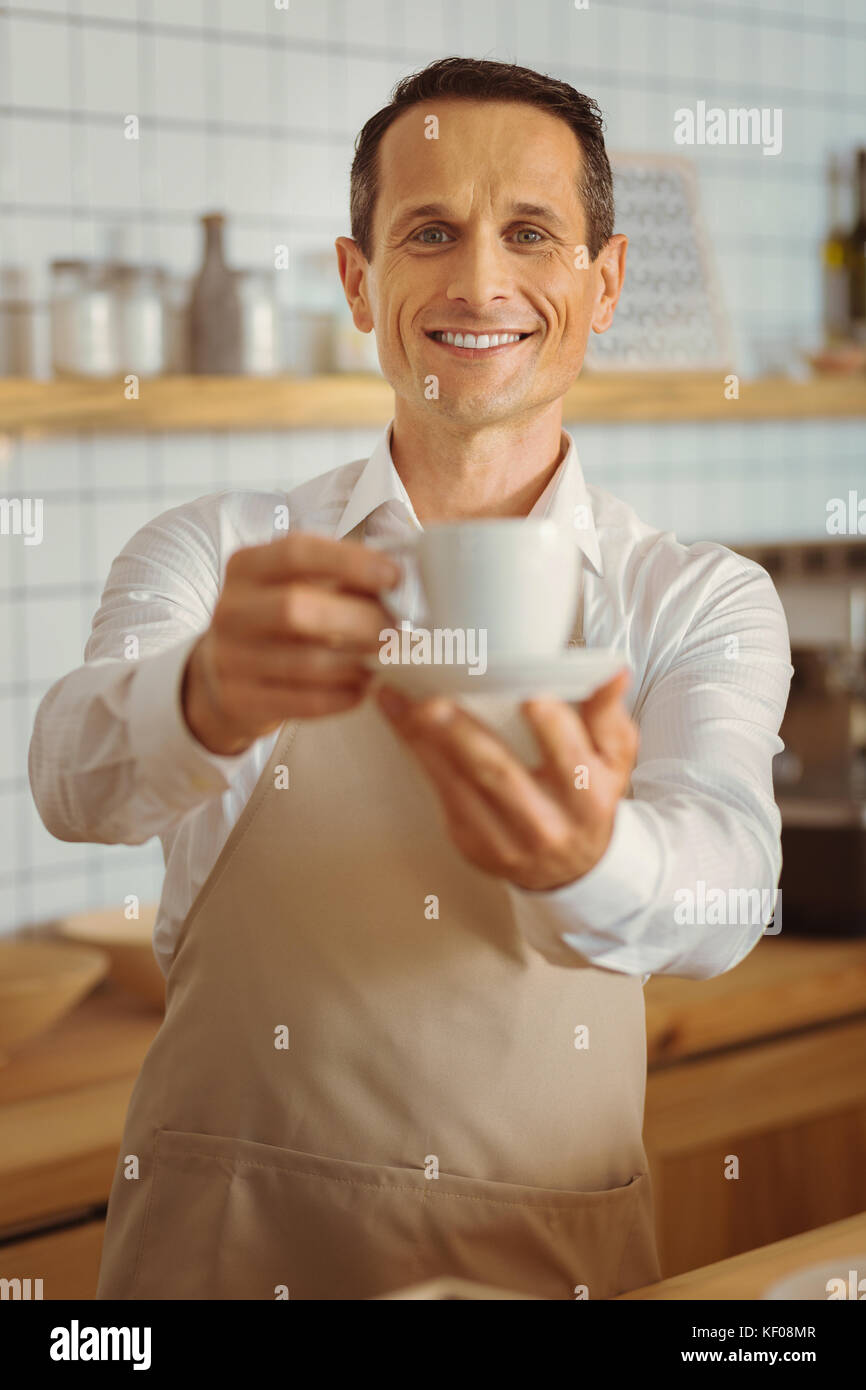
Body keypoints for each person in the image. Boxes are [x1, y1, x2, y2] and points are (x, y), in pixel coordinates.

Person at [30, 57, 792, 1301]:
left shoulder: (693, 599)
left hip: (539, 1260)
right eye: (429, 232)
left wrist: (585, 859)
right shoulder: (220, 551)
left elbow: (726, 886)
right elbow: (71, 778)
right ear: (358, 278)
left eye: (528, 233)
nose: (479, 281)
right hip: (217, 1255)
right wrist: (206, 694)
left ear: (601, 287)